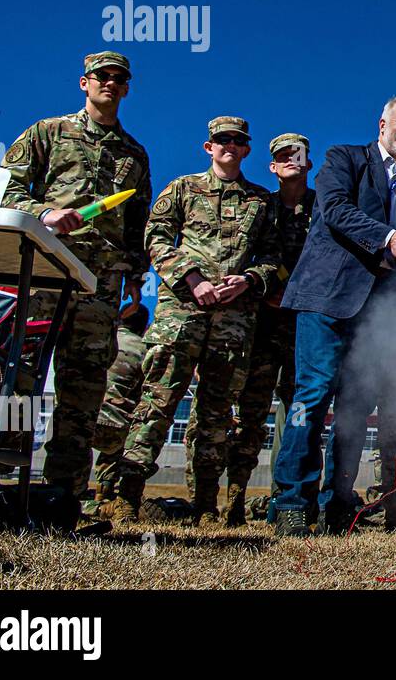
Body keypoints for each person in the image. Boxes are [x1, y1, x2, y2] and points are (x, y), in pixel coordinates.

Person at [270, 97, 396, 537]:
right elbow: (336, 211)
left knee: (355, 407)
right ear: (383, 123)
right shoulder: (342, 158)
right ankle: (292, 502)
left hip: (375, 313)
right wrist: (390, 237)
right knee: (313, 394)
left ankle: (338, 504)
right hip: (327, 299)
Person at [105, 117, 282, 525]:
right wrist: (192, 278)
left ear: (247, 150)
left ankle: (204, 503)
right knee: (158, 401)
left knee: (216, 414)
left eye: (238, 142)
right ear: (209, 147)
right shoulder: (182, 189)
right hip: (181, 313)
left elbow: (275, 257)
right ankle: (127, 495)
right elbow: (157, 238)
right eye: (222, 141)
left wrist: (250, 279)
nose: (230, 147)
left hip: (233, 320)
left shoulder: (260, 201)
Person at [0, 50, 152, 497]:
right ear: (84, 82)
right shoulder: (48, 132)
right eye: (101, 76)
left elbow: (137, 225)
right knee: (20, 375)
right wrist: (46, 212)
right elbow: (6, 191)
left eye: (118, 78)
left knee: (84, 389)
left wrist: (136, 282)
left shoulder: (134, 155)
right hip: (43, 272)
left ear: (126, 88)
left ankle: (62, 495)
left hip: (99, 286)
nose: (109, 83)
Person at [182, 132, 316, 524]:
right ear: (272, 165)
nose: (291, 159)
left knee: (299, 413)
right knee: (248, 414)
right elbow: (244, 257)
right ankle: (228, 501)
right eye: (282, 155)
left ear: (309, 163)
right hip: (257, 323)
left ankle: (287, 503)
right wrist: (264, 288)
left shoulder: (324, 207)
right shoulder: (258, 205)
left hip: (302, 326)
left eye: (299, 154)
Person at [89, 302, 150, 503]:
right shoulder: (144, 350)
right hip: (112, 429)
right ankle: (104, 492)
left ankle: (60, 490)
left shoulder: (99, 338)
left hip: (79, 420)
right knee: (127, 430)